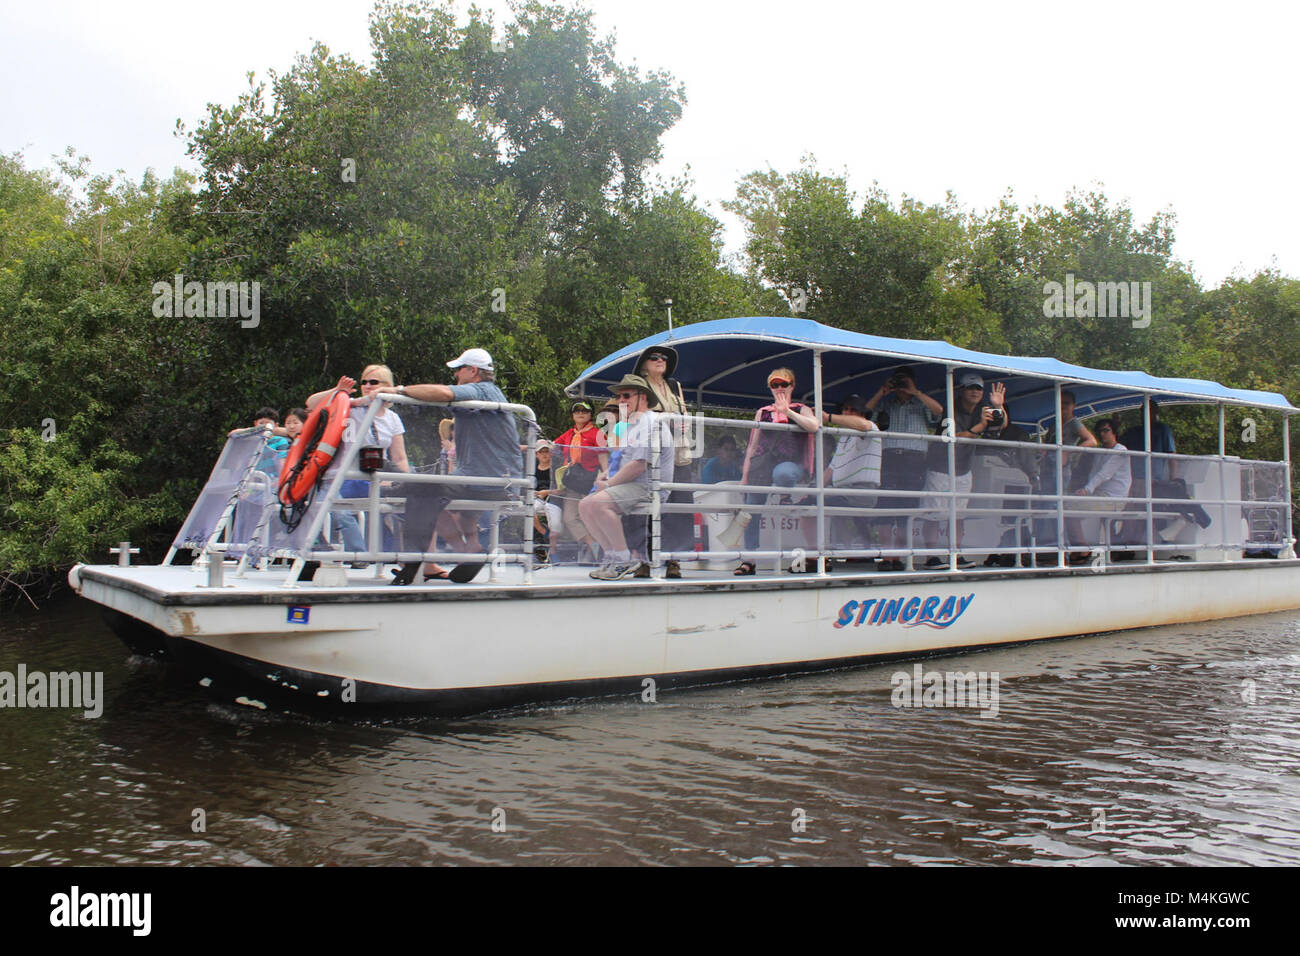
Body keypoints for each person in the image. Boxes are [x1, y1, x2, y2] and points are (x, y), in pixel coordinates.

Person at [380, 347, 524, 585]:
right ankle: (469, 549)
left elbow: (443, 393)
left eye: (459, 370)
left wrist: (397, 390)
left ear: (472, 371)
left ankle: (415, 563)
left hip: (493, 481)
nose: (456, 375)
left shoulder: (482, 391)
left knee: (421, 488)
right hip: (483, 478)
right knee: (423, 489)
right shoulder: (482, 395)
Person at [306, 365, 413, 564]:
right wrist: (338, 390)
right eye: (364, 382)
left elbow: (399, 457)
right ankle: (357, 555)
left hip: (373, 478)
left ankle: (393, 557)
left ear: (387, 387)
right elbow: (312, 403)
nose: (367, 386)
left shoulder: (392, 418)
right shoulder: (349, 407)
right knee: (340, 514)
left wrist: (400, 482)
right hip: (340, 477)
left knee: (390, 512)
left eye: (374, 382)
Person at [579, 374, 675, 580]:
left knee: (598, 503)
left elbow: (638, 466)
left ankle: (625, 559)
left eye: (626, 396)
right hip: (631, 485)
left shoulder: (651, 422)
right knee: (584, 505)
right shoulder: (631, 424)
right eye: (619, 397)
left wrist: (608, 484)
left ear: (643, 397)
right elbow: (622, 459)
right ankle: (612, 556)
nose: (620, 401)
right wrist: (605, 475)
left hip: (649, 487)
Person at [734, 368, 819, 575]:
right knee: (751, 508)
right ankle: (749, 559)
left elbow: (813, 426)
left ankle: (785, 495)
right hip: (763, 466)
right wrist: (744, 477)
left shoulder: (801, 408)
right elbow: (752, 447)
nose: (780, 388)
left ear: (792, 386)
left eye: (784, 384)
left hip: (791, 464)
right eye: (775, 385)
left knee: (783, 474)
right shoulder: (763, 412)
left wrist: (787, 412)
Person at [918, 373, 1002, 568]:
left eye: (979, 389)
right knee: (934, 514)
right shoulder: (950, 408)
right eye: (971, 388)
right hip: (940, 468)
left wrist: (998, 406)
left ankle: (955, 554)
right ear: (961, 390)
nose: (975, 392)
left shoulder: (984, 409)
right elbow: (954, 437)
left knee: (958, 515)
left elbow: (1001, 424)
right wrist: (980, 426)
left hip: (963, 469)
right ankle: (931, 557)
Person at [865, 366, 943, 570]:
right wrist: (881, 393)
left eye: (904, 381)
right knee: (885, 508)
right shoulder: (886, 404)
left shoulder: (920, 403)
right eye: (898, 381)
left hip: (914, 460)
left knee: (906, 510)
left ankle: (898, 557)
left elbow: (939, 412)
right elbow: (865, 415)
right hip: (889, 457)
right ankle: (886, 557)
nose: (901, 385)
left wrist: (915, 392)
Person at [635, 345, 694, 578]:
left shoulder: (674, 385)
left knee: (679, 508)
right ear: (643, 364)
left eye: (664, 358)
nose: (660, 360)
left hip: (679, 454)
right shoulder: (637, 385)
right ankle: (644, 560)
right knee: (648, 509)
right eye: (654, 357)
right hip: (651, 458)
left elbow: (685, 413)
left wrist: (683, 423)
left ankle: (673, 559)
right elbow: (628, 416)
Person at [820, 394, 882, 550]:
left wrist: (828, 417)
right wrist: (813, 490)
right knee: (817, 500)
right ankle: (848, 551)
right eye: (845, 409)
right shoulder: (843, 437)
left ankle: (815, 555)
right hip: (843, 491)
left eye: (853, 410)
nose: (847, 413)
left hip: (862, 491)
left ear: (862, 414)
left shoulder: (870, 427)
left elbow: (864, 426)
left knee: (822, 503)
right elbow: (830, 470)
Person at [1065, 418, 1131, 563]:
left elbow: (1104, 474)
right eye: (1099, 431)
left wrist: (1087, 490)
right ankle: (1087, 548)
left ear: (1114, 432)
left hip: (1114, 499)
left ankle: (1082, 550)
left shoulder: (1120, 450)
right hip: (1100, 496)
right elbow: (1093, 474)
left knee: (1068, 508)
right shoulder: (1101, 452)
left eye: (1106, 430)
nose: (1102, 434)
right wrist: (1084, 490)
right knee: (1066, 506)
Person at [551, 400, 609, 561]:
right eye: (577, 411)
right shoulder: (569, 434)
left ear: (591, 415)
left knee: (591, 516)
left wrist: (605, 476)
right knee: (569, 517)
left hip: (591, 482)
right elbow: (553, 447)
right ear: (572, 415)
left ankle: (600, 551)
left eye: (585, 410)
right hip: (573, 482)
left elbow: (603, 456)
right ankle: (593, 544)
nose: (580, 413)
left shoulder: (597, 433)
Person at [1119, 398, 1176, 482]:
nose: (1144, 414)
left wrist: (1173, 479)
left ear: (1156, 412)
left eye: (1148, 411)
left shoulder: (1162, 429)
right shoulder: (1133, 431)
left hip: (1154, 479)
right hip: (1133, 477)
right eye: (1142, 411)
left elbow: (1172, 455)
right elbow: (1118, 448)